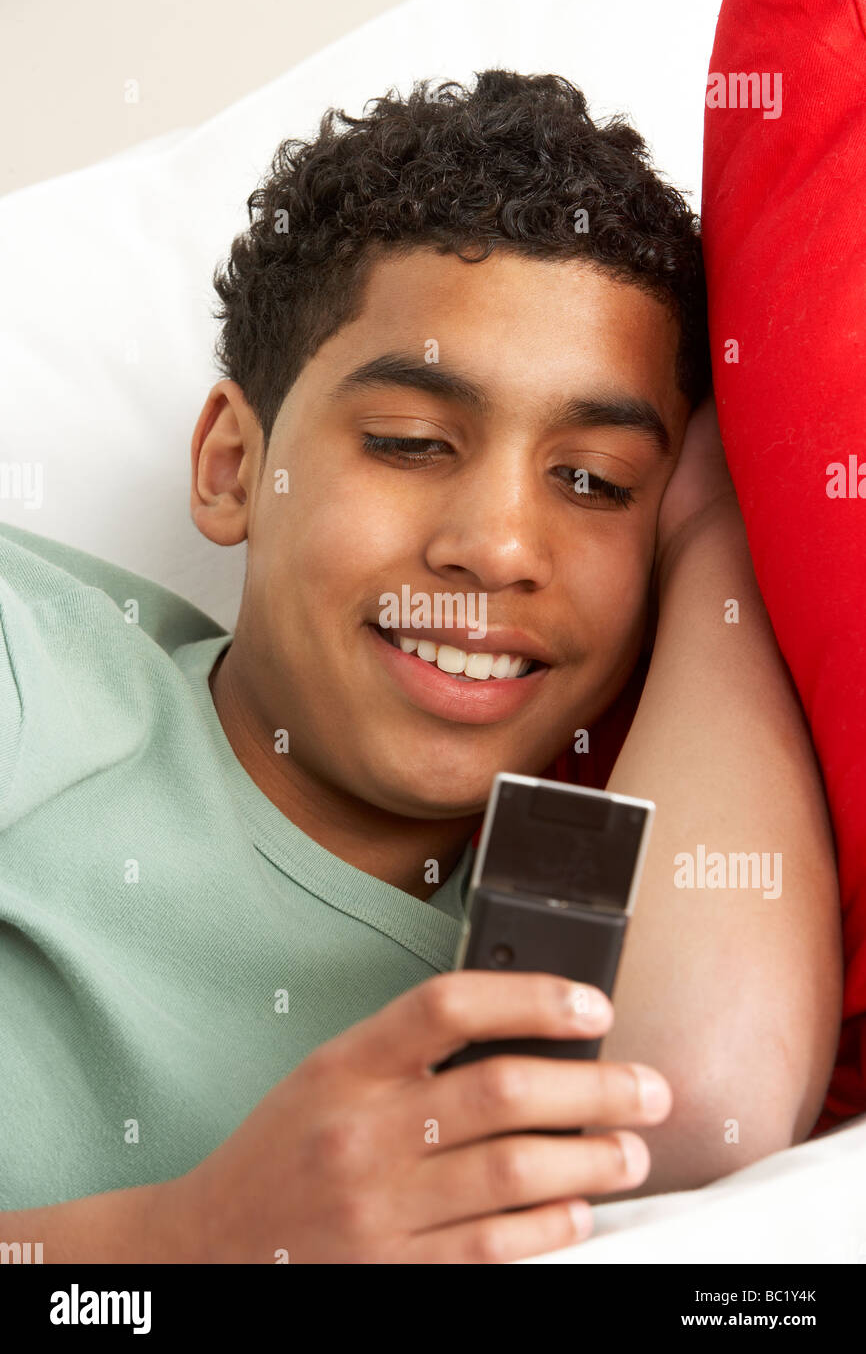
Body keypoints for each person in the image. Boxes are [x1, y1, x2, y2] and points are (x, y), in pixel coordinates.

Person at [0, 70, 840, 1264]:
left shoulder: (562, 890)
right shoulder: (37, 664)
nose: (496, 545)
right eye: (407, 443)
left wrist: (718, 525)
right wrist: (181, 1242)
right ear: (235, 468)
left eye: (595, 481)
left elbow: (697, 1100)